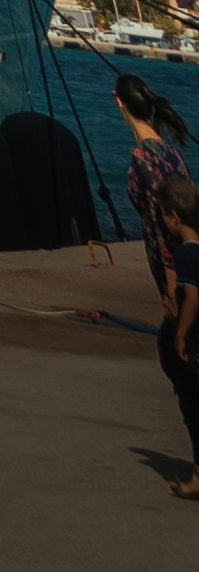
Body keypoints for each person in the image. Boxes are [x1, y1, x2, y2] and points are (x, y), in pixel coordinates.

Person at [116, 74, 199, 490]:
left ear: (119, 106)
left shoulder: (142, 161)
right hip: (190, 262)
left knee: (178, 359)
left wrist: (169, 287)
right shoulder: (174, 155)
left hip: (175, 272)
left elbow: (160, 227)